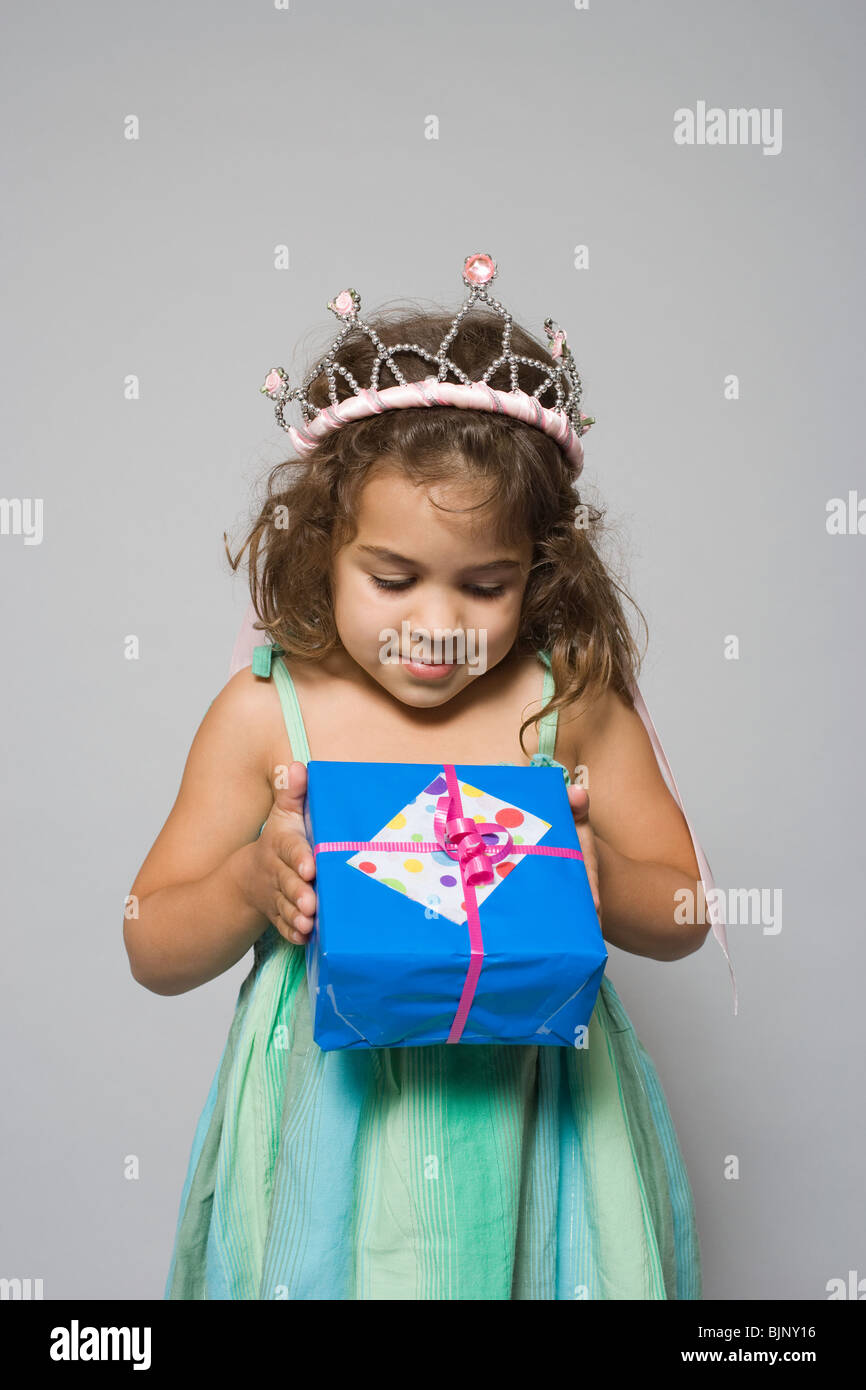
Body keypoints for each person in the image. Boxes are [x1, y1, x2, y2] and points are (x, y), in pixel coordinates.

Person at [125, 253, 736, 1300]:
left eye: (484, 585)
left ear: (538, 572)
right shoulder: (265, 715)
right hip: (331, 1121)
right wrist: (244, 886)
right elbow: (149, 939)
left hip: (541, 1121)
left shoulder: (564, 700)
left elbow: (685, 908)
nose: (436, 628)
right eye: (392, 578)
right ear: (323, 550)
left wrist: (599, 877)